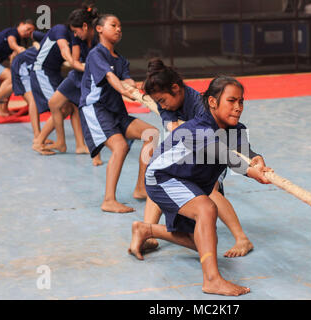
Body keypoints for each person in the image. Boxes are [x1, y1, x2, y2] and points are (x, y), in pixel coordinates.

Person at [129, 76, 273, 296]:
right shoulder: (199, 128)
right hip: (163, 177)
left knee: (201, 241)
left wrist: (257, 160)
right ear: (213, 102)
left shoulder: (235, 128)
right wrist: (252, 173)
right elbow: (226, 156)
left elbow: (245, 152)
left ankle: (146, 229)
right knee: (207, 208)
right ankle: (212, 280)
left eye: (241, 102)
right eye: (231, 101)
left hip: (189, 180)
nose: (238, 108)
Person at [141, 59, 254, 258]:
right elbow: (166, 112)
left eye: (162, 100)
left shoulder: (202, 107)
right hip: (189, 154)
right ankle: (148, 230)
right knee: (161, 178)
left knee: (210, 191)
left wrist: (250, 165)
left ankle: (241, 237)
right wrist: (172, 125)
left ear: (176, 88)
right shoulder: (170, 101)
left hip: (214, 154)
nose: (163, 105)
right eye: (159, 102)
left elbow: (219, 143)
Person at [79, 14, 158, 213]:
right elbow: (111, 78)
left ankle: (141, 188)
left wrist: (139, 89)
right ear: (99, 29)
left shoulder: (121, 60)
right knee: (120, 147)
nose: (118, 29)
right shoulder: (96, 54)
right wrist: (124, 90)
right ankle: (108, 200)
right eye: (113, 25)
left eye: (120, 26)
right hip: (96, 109)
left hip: (116, 111)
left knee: (151, 133)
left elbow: (127, 81)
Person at [36, 3, 102, 165]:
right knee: (54, 103)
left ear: (85, 26)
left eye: (76, 30)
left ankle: (90, 149)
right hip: (75, 76)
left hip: (86, 80)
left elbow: (102, 60)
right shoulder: (76, 37)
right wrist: (82, 65)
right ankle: (62, 142)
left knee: (84, 112)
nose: (75, 34)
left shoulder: (98, 39)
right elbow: (74, 59)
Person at [29, 19, 86, 155]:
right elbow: (64, 50)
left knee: (73, 105)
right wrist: (74, 63)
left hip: (54, 73)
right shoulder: (60, 29)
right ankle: (39, 142)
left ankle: (80, 146)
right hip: (41, 71)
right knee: (62, 107)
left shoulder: (77, 39)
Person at [0, 20, 36, 117]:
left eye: (30, 33)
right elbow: (12, 43)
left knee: (12, 79)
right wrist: (18, 48)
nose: (28, 32)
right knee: (10, 78)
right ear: (21, 24)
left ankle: (4, 108)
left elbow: (12, 58)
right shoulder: (12, 32)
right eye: (28, 28)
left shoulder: (17, 40)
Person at [10, 32, 55, 152]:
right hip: (23, 66)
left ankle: (39, 136)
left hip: (33, 69)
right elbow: (35, 35)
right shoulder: (58, 40)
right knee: (33, 100)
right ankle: (37, 136)